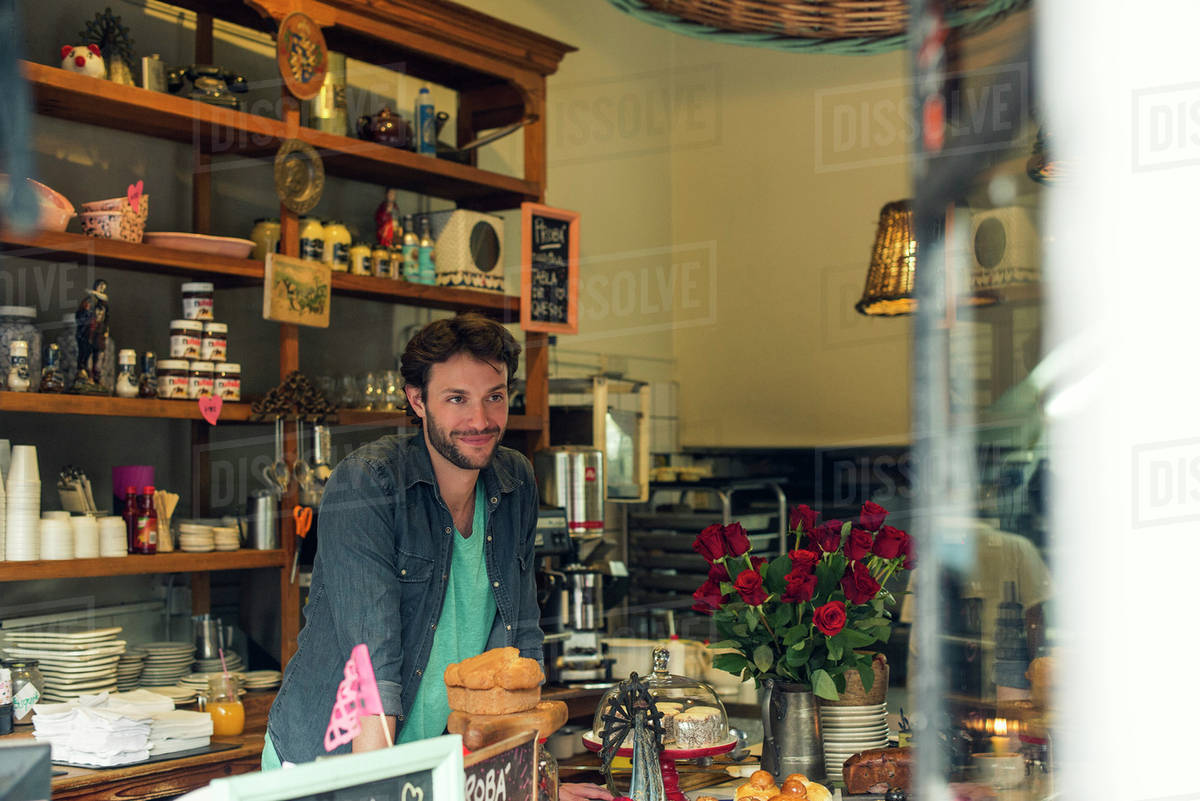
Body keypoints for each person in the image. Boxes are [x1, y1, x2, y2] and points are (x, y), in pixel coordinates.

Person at [264, 313, 611, 801]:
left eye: (495, 396)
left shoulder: (515, 482)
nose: (481, 420)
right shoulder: (368, 483)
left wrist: (529, 784)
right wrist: (376, 787)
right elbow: (371, 670)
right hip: (334, 769)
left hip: (439, 767)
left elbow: (517, 649)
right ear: (416, 399)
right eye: (456, 399)